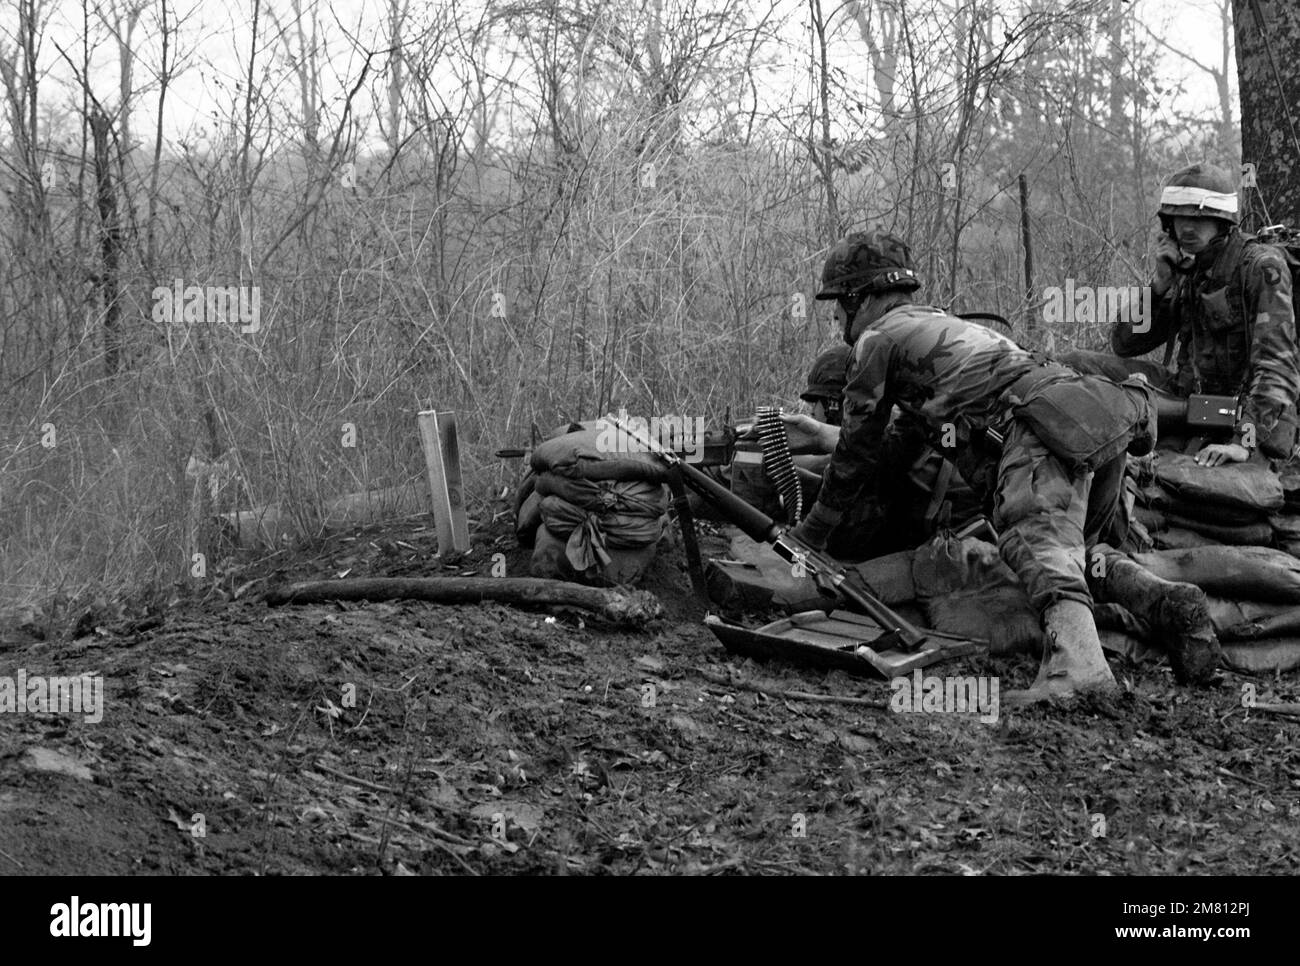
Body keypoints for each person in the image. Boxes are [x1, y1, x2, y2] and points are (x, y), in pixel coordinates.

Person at [789, 230, 1161, 703]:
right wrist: (822, 436)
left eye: (837, 303)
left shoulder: (876, 339)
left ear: (858, 297)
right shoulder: (942, 330)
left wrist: (812, 533)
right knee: (1078, 551)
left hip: (1042, 420)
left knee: (1034, 541)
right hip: (1095, 412)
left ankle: (1082, 671)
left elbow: (857, 454)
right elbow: (899, 444)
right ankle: (1143, 613)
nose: (835, 315)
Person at [1067, 162, 1299, 467]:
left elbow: (1278, 369)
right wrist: (1159, 285)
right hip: (1187, 398)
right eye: (1180, 218)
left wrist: (1245, 441)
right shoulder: (1188, 267)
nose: (1187, 227)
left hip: (1239, 413)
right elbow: (1124, 343)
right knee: (1071, 365)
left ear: (1222, 223)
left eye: (1199, 219)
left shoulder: (1260, 267)